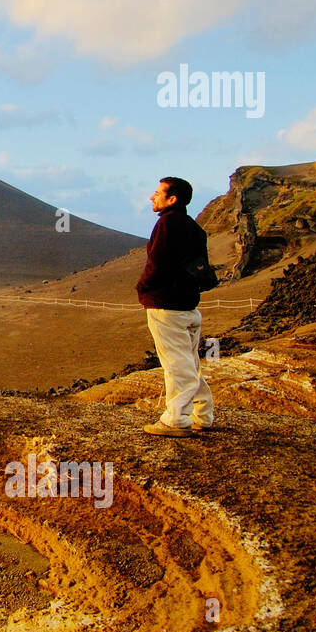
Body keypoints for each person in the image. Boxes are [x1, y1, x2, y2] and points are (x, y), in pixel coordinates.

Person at [135, 176, 214, 438]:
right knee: (190, 362)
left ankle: (176, 419)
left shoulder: (167, 224)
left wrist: (144, 288)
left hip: (167, 307)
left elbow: (157, 263)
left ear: (172, 199)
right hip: (189, 307)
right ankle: (203, 415)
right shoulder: (194, 227)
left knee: (176, 364)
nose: (151, 197)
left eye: (158, 193)